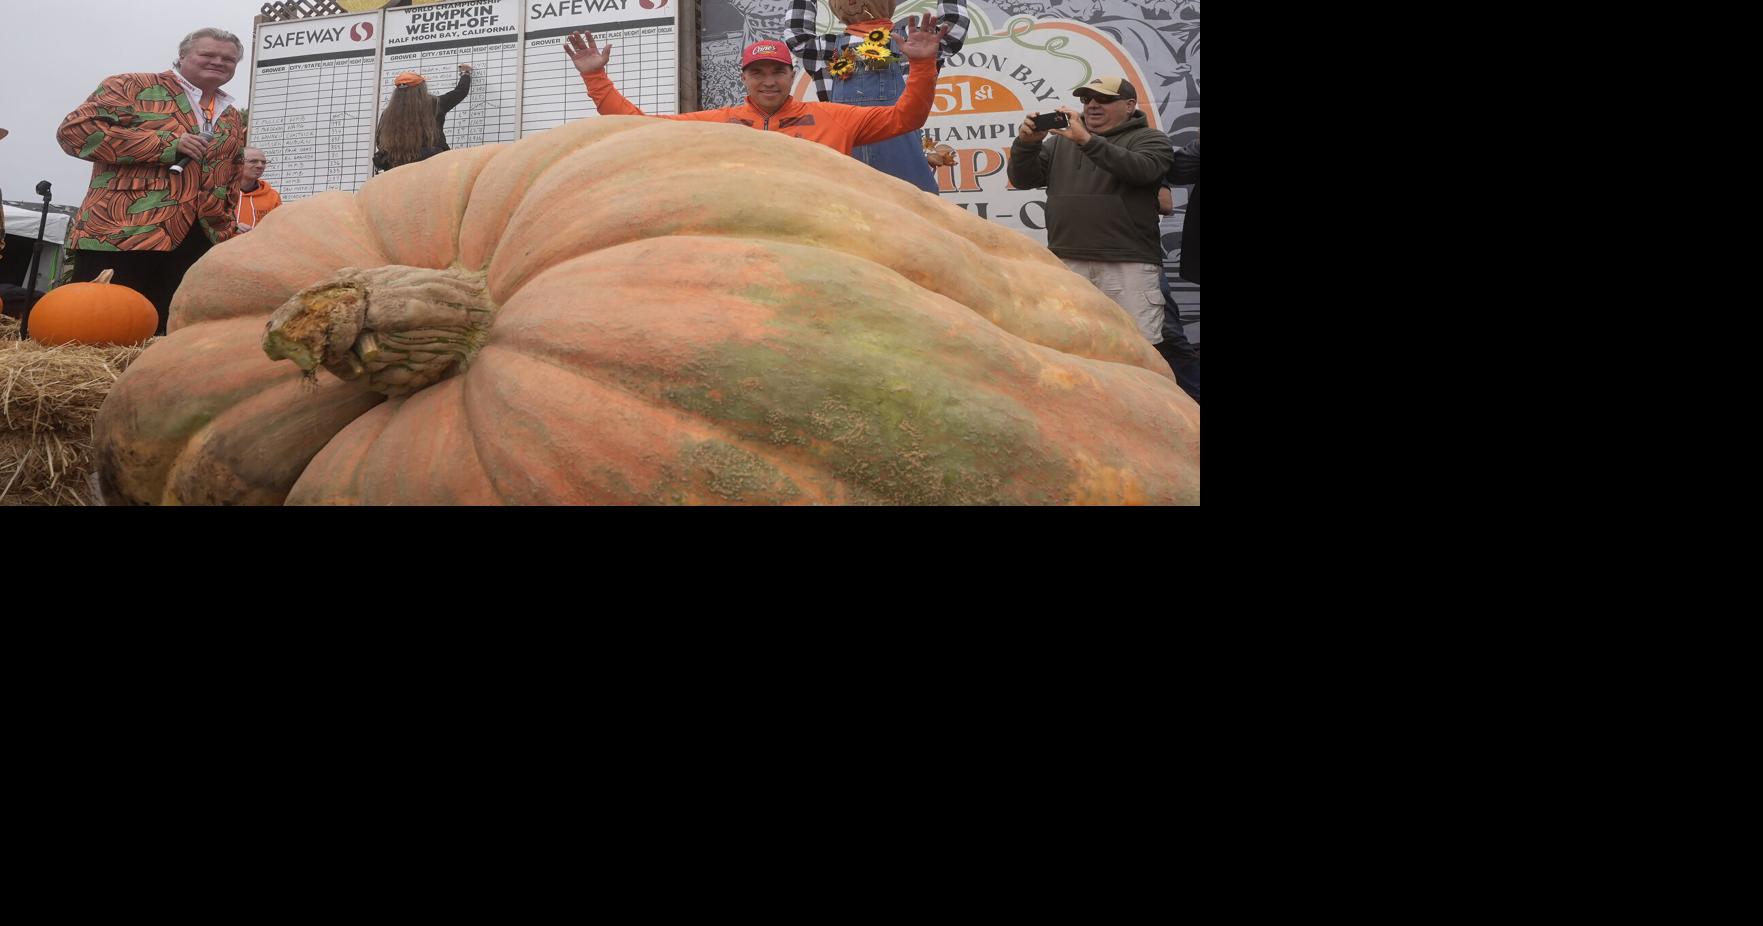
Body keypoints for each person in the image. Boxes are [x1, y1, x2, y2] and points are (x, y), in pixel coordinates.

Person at [55, 27, 248, 334]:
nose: (218, 62)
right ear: (182, 56)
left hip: (200, 239)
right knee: (100, 328)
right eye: (208, 54)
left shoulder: (232, 116)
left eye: (228, 59)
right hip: (123, 231)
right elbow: (75, 134)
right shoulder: (131, 86)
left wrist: (227, 229)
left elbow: (233, 174)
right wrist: (167, 144)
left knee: (169, 334)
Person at [562, 18, 950, 157]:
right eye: (758, 73)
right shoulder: (717, 123)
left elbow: (907, 118)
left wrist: (921, 65)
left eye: (777, 72)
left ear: (790, 75)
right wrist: (596, 77)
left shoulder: (836, 119)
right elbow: (638, 126)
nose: (768, 81)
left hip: (824, 238)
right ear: (743, 77)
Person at [1006, 76, 1175, 358]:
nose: (1093, 105)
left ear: (1130, 105)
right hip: (1068, 260)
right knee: (1076, 346)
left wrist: (1086, 140)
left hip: (1127, 263)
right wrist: (1027, 144)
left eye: (1105, 99)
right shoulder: (1059, 143)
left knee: (1137, 349)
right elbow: (1023, 179)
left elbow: (1143, 170)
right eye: (1087, 99)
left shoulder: (1150, 139)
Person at [784, 0, 969, 191]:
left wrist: (924, 58)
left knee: (911, 209)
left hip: (903, 174)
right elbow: (797, 37)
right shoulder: (828, 49)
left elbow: (953, 28)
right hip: (847, 177)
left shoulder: (912, 40)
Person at [1155, 136, 1200, 402]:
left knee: (1168, 333)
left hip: (1131, 254)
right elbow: (1179, 171)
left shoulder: (1142, 140)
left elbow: (1165, 202)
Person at [373, 64, 474, 173]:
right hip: (431, 167)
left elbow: (379, 142)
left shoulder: (387, 114)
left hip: (397, 167)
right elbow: (460, 92)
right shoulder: (435, 105)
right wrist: (465, 73)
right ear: (421, 89)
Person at [233, 147, 281, 233]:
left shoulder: (273, 196)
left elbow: (278, 227)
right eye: (253, 161)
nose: (260, 166)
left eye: (263, 162)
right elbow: (209, 224)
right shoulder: (219, 193)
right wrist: (231, 228)